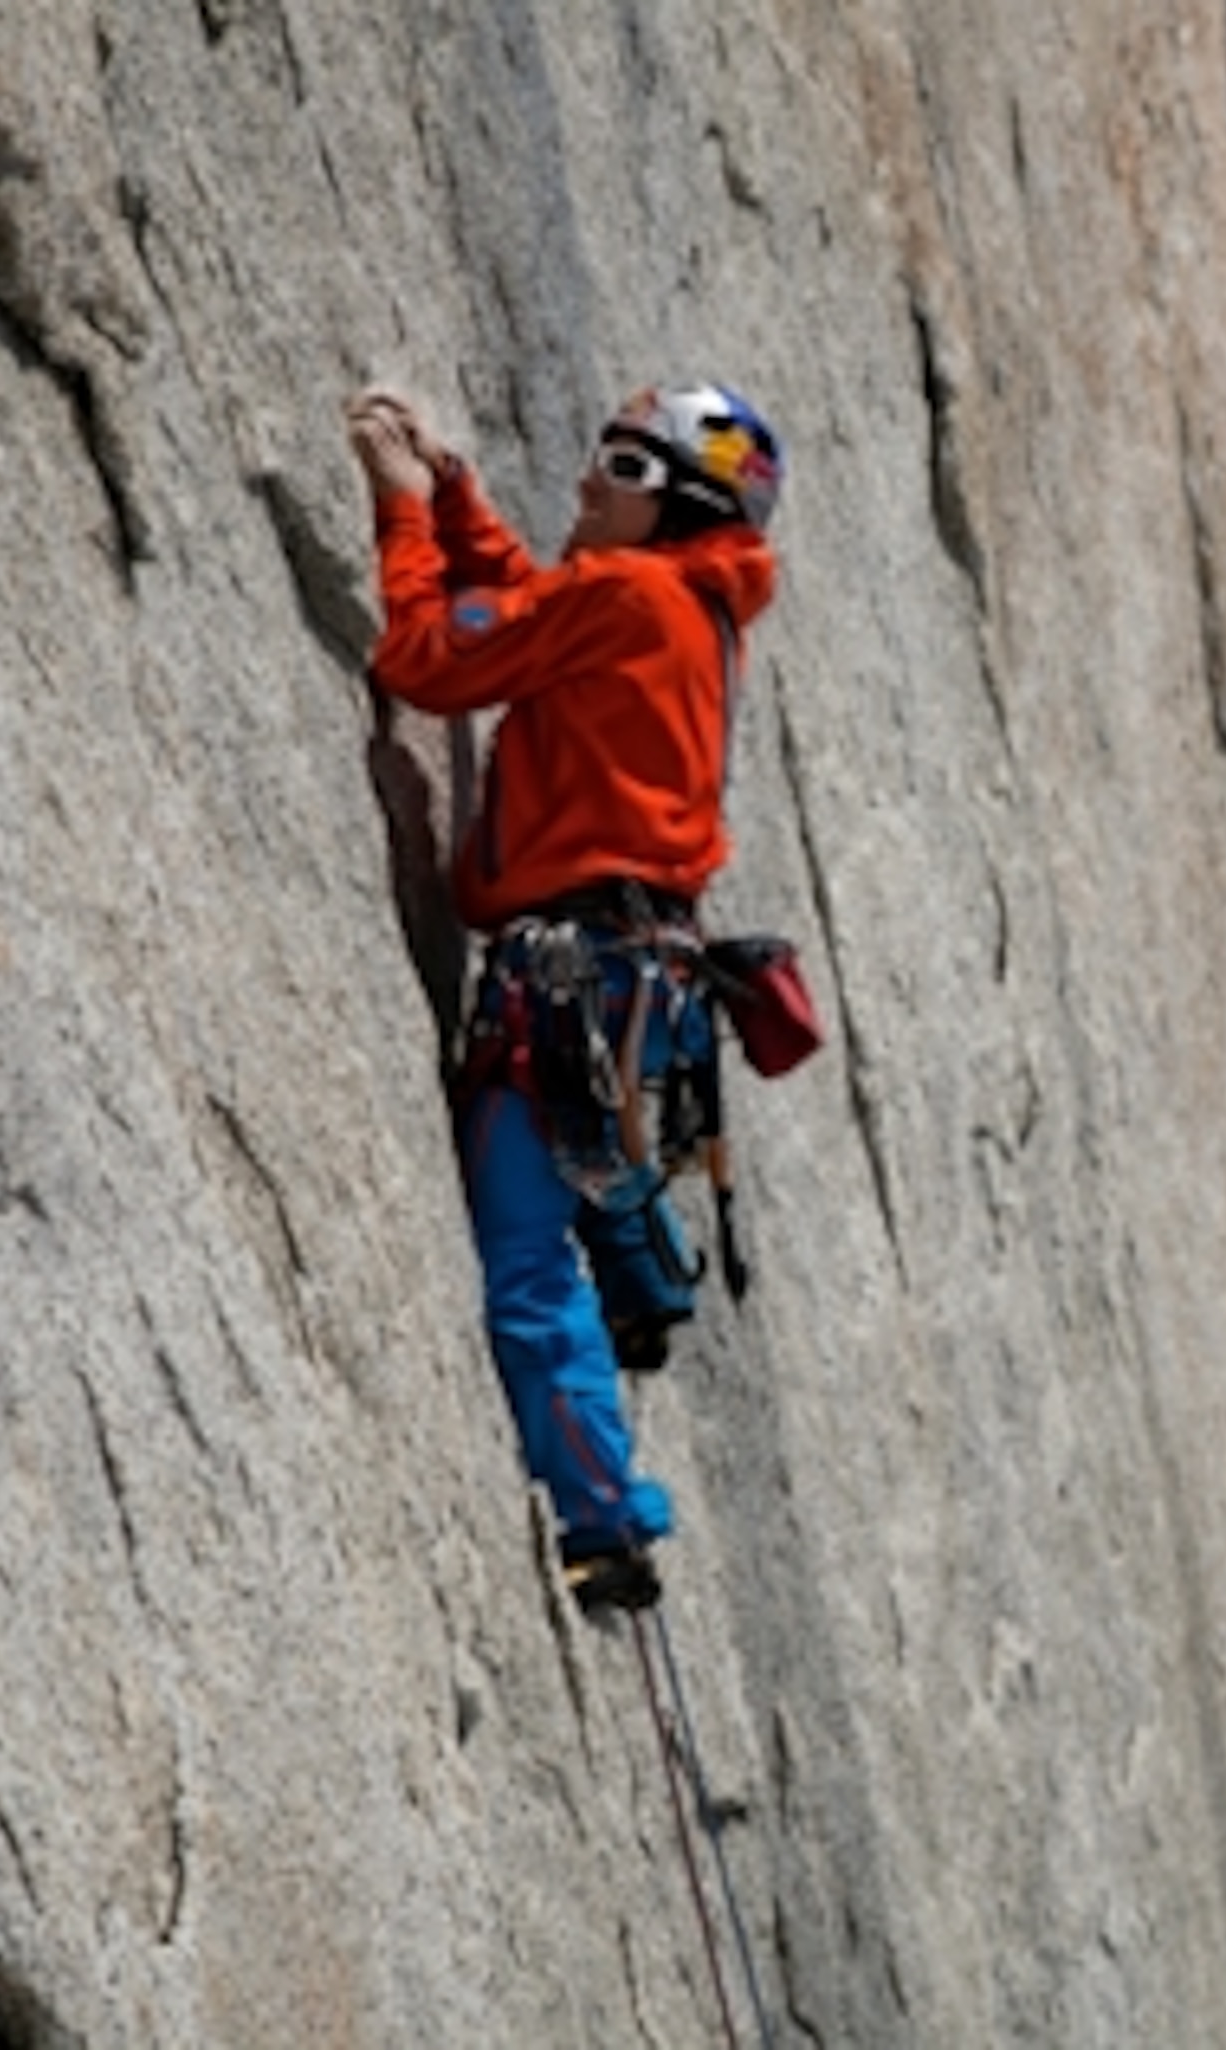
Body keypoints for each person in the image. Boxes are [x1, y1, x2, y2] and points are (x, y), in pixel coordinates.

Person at [348, 381, 783, 1612]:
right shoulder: (686, 606)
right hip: (630, 980)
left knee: (525, 1259)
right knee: (566, 1196)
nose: (591, 479)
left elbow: (429, 660)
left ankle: (608, 1515)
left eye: (624, 469)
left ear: (679, 506)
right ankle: (636, 1287)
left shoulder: (630, 595)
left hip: (570, 983)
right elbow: (540, 615)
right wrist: (457, 499)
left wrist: (400, 512)